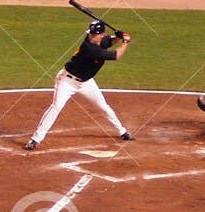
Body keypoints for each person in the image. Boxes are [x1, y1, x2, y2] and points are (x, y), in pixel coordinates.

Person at [25, 20, 134, 150]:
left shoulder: (100, 40)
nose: (91, 36)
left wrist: (118, 36)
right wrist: (125, 41)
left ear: (101, 35)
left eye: (94, 34)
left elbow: (108, 41)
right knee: (56, 106)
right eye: (91, 34)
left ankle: (122, 132)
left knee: (103, 107)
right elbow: (116, 55)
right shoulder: (90, 48)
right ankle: (35, 139)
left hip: (86, 82)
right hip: (67, 81)